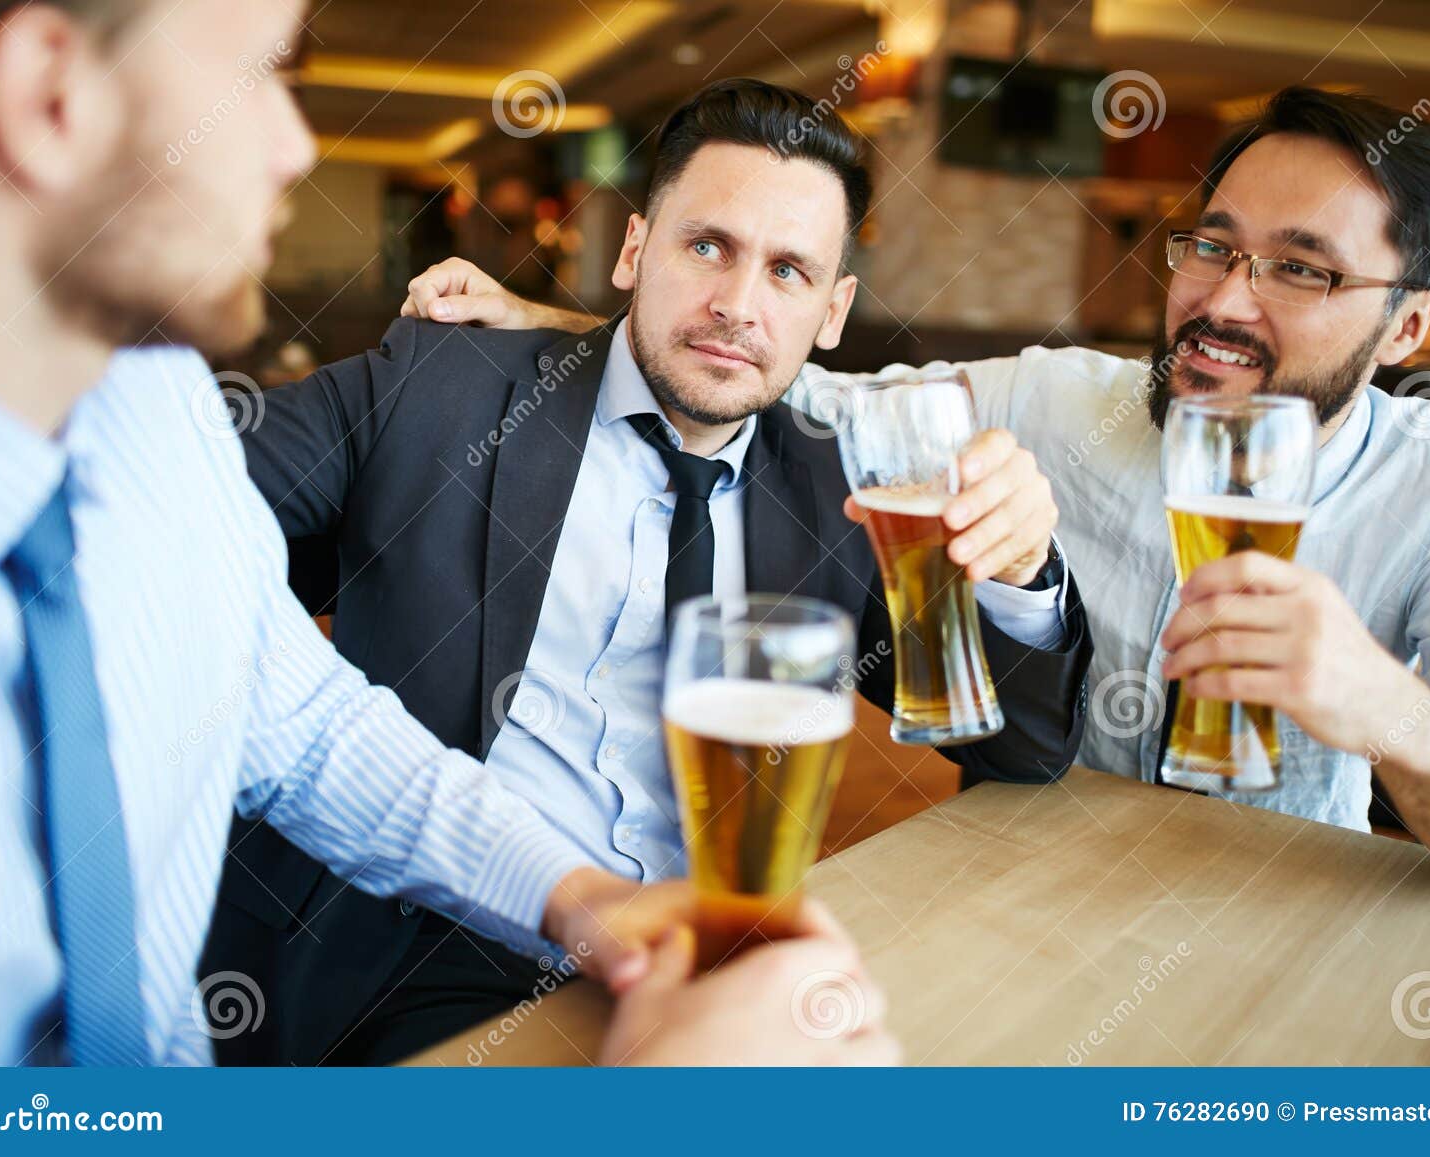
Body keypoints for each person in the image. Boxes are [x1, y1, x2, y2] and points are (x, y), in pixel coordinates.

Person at [0, 0, 896, 1067]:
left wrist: (580, 898)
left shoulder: (155, 404)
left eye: (789, 270)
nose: (297, 147)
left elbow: (309, 728)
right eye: (263, 75)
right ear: (48, 95)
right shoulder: (428, 392)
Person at [203, 78, 1092, 1065]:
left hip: (702, 951)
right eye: (707, 245)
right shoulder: (435, 392)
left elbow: (1019, 750)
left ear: (833, 310)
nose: (737, 304)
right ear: (635, 251)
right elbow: (171, 508)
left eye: (789, 271)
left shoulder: (845, 490)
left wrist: (1018, 571)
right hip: (426, 949)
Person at [406, 85, 1430, 883]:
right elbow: (818, 395)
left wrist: (1388, 707)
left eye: (1300, 268)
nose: (1225, 301)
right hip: (1023, 886)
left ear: (1413, 323)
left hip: (1286, 911)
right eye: (1212, 246)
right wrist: (566, 329)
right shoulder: (1059, 398)